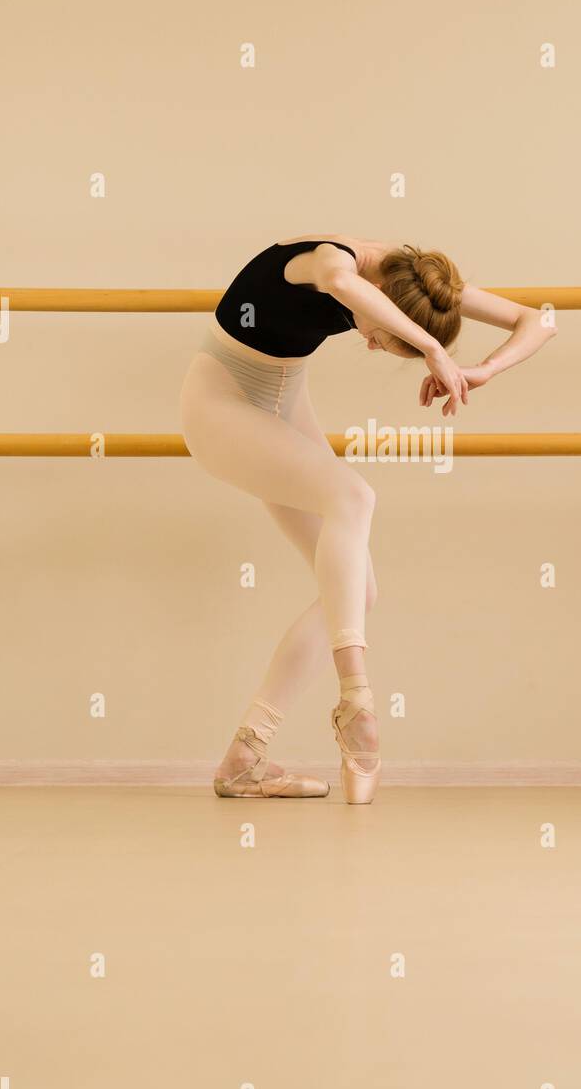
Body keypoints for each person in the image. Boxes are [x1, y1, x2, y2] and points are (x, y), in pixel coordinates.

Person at [179, 235, 557, 804]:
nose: (376, 346)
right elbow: (338, 283)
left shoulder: (414, 281)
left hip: (282, 408)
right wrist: (431, 349)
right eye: (383, 337)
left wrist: (485, 369)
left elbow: (541, 319)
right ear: (380, 297)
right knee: (354, 498)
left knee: (358, 593)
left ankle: (244, 757)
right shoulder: (328, 259)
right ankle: (357, 699)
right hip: (221, 410)